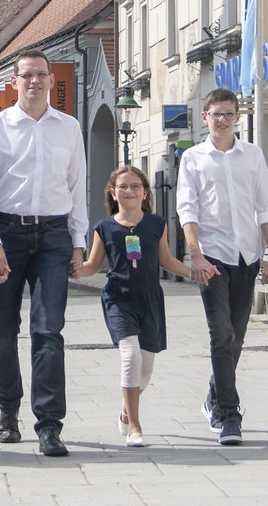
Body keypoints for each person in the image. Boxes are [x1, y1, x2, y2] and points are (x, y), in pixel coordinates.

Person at [0, 48, 88, 457]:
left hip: (55, 234)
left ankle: (49, 424)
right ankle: (8, 412)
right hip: (7, 231)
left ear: (51, 81)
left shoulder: (68, 127)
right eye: (26, 75)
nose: (34, 81)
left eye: (41, 75)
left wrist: (79, 243)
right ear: (14, 82)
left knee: (48, 330)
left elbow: (78, 186)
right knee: (2, 331)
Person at [175, 86, 268, 445]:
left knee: (236, 336)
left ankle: (214, 394)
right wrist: (195, 254)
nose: (221, 120)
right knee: (220, 333)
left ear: (238, 117)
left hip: (247, 255)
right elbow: (187, 209)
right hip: (212, 257)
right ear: (204, 117)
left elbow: (264, 208)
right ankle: (228, 413)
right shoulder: (193, 158)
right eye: (215, 114)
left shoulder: (252, 155)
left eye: (228, 114)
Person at [77, 164, 207, 447]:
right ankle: (135, 426)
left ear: (145, 192)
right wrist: (71, 269)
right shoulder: (104, 227)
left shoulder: (156, 225)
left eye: (135, 186)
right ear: (113, 192)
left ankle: (125, 412)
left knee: (145, 370)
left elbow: (167, 261)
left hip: (150, 298)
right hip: (118, 297)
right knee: (130, 357)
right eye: (122, 186)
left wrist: (196, 272)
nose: (129, 191)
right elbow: (92, 266)